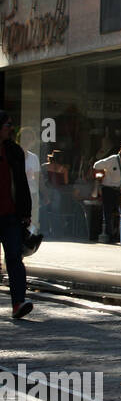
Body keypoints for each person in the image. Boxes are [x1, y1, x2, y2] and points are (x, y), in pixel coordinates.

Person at [0, 111, 34, 319]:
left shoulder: (14, 151)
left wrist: (26, 212)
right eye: (7, 124)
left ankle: (18, 303)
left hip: (10, 214)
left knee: (14, 258)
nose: (10, 128)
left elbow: (22, 184)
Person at [93, 144, 121, 243]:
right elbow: (96, 165)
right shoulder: (112, 159)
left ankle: (116, 233)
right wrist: (101, 174)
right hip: (108, 189)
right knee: (108, 212)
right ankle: (109, 235)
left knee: (118, 212)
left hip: (117, 190)